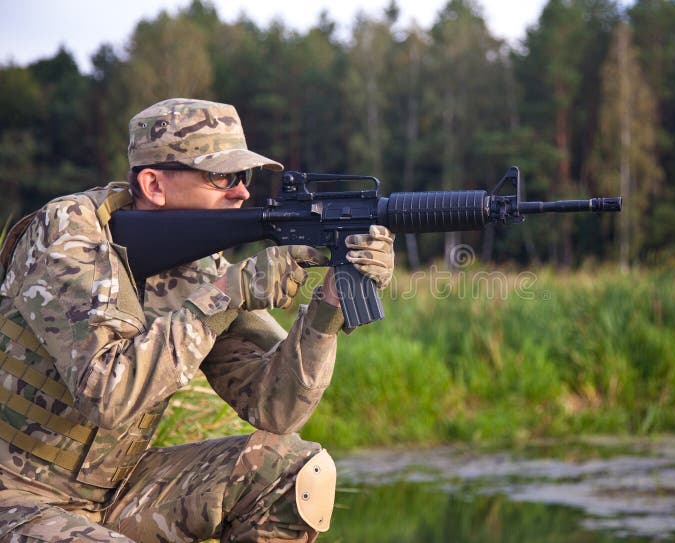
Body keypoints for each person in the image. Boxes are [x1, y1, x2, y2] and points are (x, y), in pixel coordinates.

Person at [0, 98, 395, 542]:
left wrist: (330, 304)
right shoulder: (68, 233)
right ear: (153, 184)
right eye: (222, 176)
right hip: (18, 496)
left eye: (242, 177)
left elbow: (276, 408)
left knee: (294, 473)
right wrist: (226, 295)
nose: (242, 192)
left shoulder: (199, 264)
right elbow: (106, 394)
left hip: (115, 489)